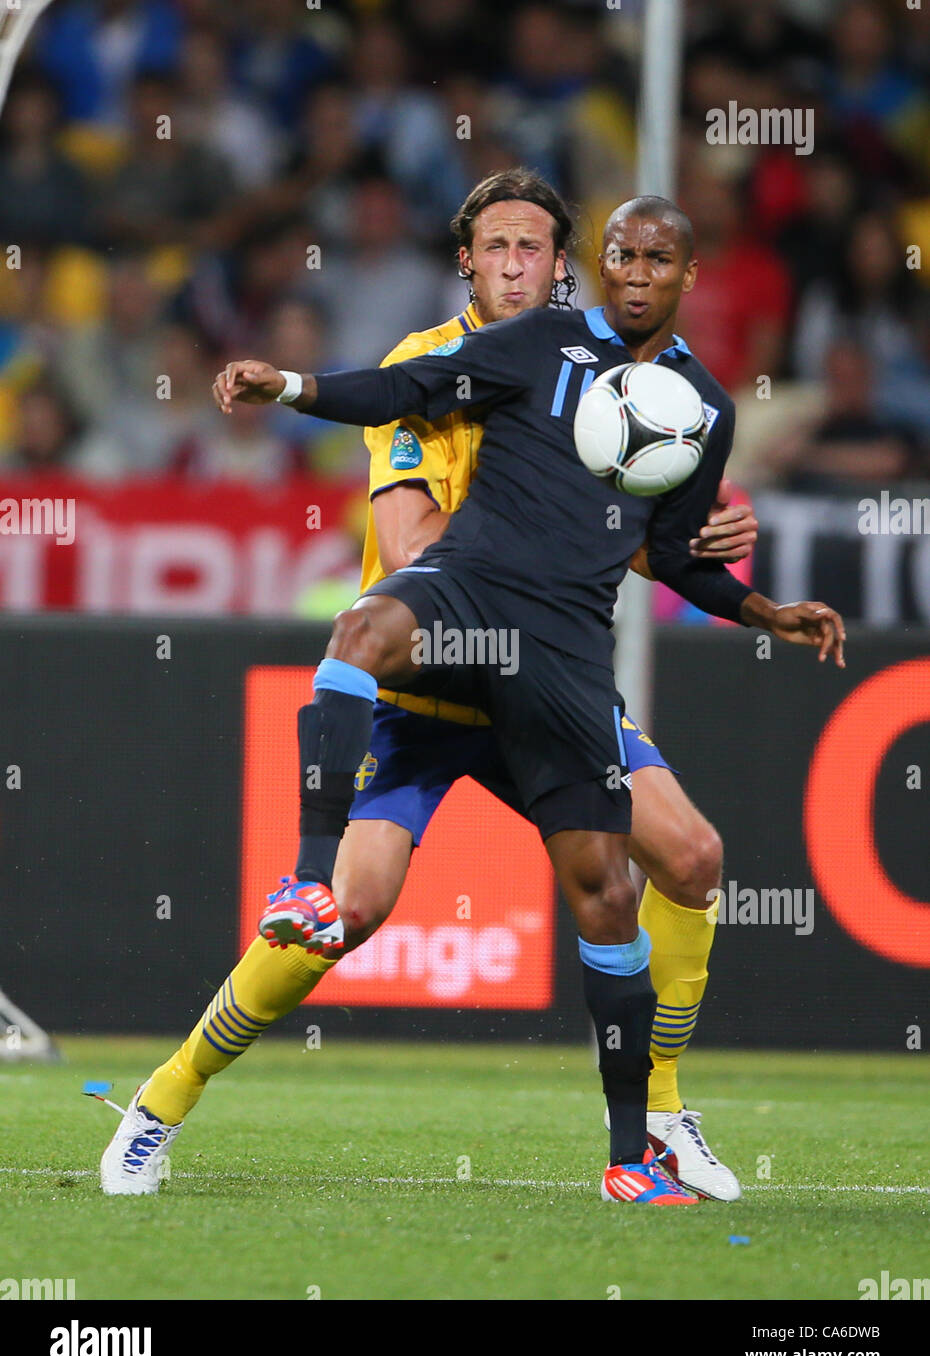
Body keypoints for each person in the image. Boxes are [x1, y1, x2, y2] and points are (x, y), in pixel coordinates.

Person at [105, 185, 845, 1206]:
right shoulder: (442, 359)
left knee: (690, 857)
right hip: (434, 683)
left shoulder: (631, 387)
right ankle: (163, 1099)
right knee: (345, 913)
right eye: (494, 247)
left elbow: (614, 525)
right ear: (467, 261)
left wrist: (685, 555)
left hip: (540, 671)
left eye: (533, 249)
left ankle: (657, 1124)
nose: (513, 266)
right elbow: (411, 544)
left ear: (558, 266)